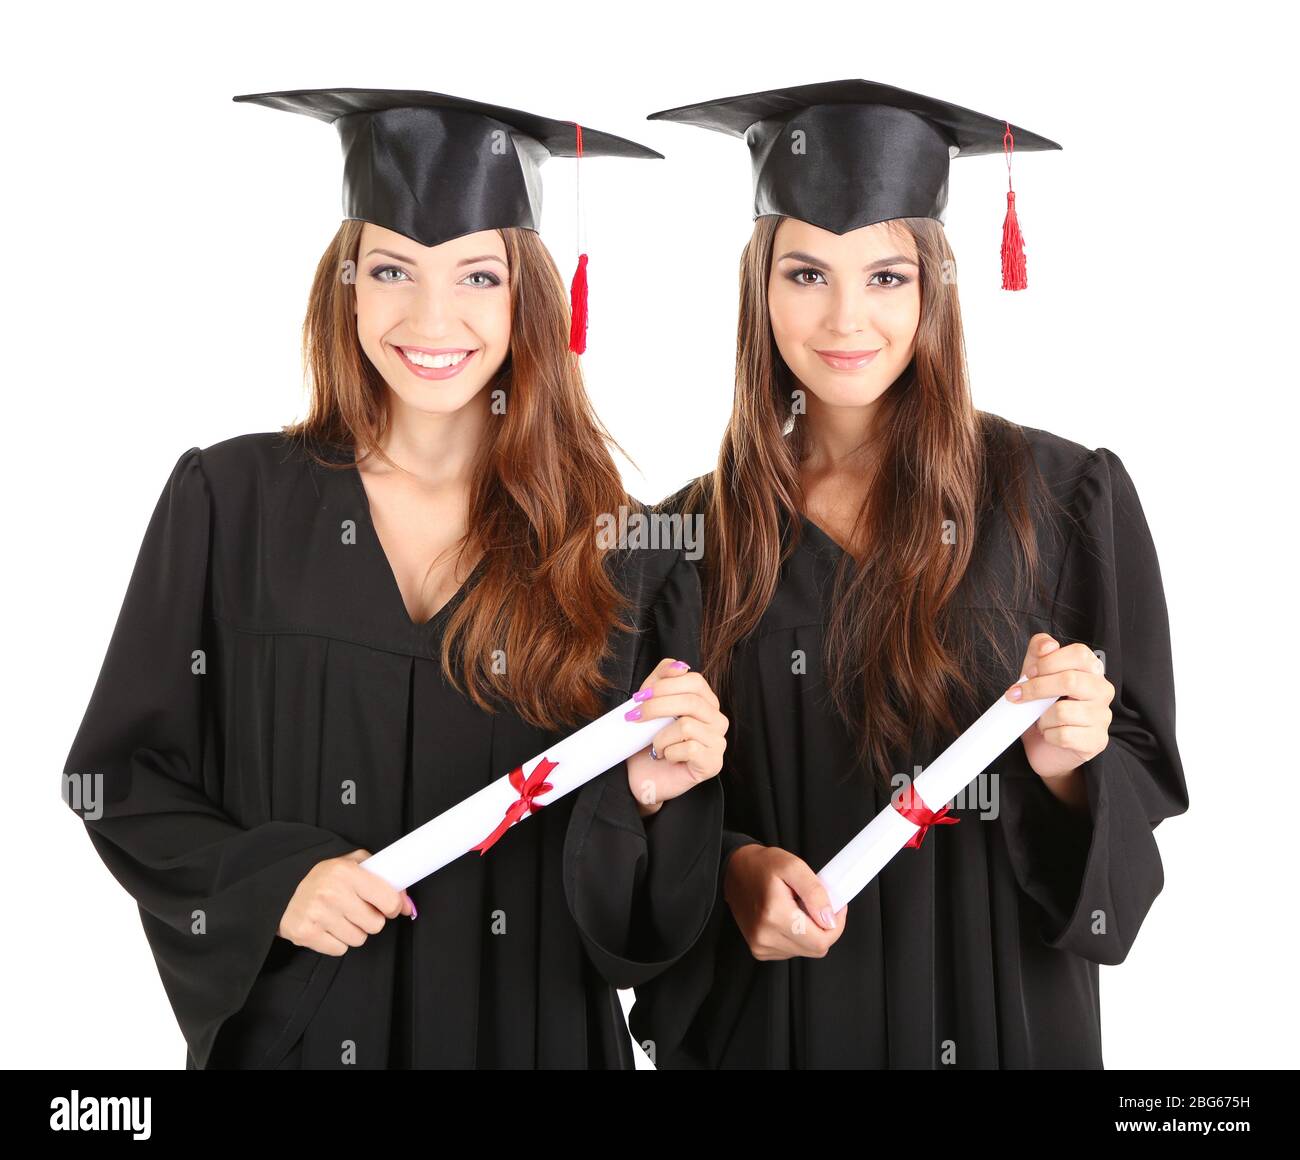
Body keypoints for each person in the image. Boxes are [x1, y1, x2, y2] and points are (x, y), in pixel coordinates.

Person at [61, 88, 728, 1070]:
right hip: (301, 1038)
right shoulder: (231, 501)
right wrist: (269, 881)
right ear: (347, 286)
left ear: (526, 298)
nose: (431, 316)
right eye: (390, 270)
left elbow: (641, 941)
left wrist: (645, 797)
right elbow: (117, 777)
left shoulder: (622, 552)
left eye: (476, 275)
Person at [629, 79, 1189, 1069]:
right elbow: (645, 804)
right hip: (775, 1026)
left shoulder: (1063, 500)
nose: (846, 317)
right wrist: (730, 872)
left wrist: (1070, 770)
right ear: (759, 285)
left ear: (934, 284)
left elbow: (1137, 800)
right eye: (805, 273)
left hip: (997, 1016)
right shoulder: (678, 541)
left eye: (885, 275)